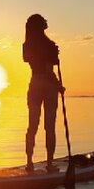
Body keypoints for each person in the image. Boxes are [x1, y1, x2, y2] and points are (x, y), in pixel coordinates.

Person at [22, 13, 63, 172]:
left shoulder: (26, 46)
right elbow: (48, 69)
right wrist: (58, 85)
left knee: (32, 125)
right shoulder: (49, 45)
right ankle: (50, 163)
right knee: (49, 126)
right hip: (47, 85)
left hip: (34, 84)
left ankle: (29, 162)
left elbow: (30, 61)